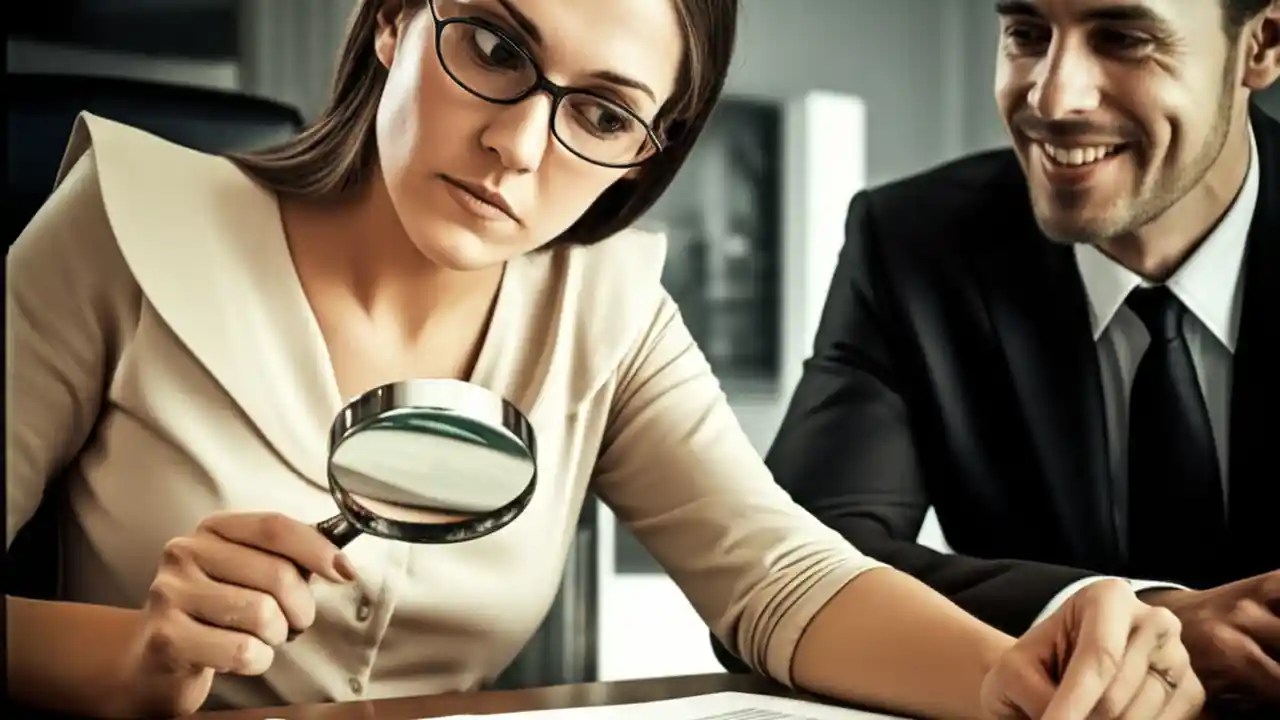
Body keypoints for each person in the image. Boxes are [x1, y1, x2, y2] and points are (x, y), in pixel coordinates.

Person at [5, 0, 1203, 718]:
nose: (517, 145)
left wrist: (1006, 678)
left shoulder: (605, 304)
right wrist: (136, 664)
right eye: (489, 43)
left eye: (601, 112)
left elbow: (773, 577)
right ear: (391, 18)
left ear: (641, 152)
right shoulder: (121, 220)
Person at [712, 0, 1279, 712]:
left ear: (1262, 45)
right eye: (1026, 34)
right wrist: (1131, 624)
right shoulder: (913, 244)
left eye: (1126, 38)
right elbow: (788, 573)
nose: (1051, 95)